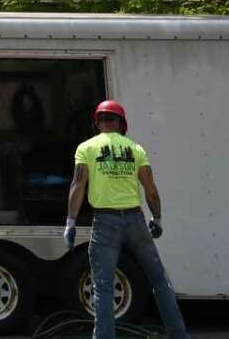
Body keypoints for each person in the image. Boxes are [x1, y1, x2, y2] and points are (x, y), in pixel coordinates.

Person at [64, 99, 189, 339]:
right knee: (160, 281)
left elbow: (78, 185)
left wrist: (70, 222)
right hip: (135, 221)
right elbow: (150, 189)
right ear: (122, 124)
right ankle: (179, 335)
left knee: (103, 288)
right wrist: (158, 218)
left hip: (105, 223)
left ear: (97, 122)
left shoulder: (86, 148)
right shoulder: (136, 149)